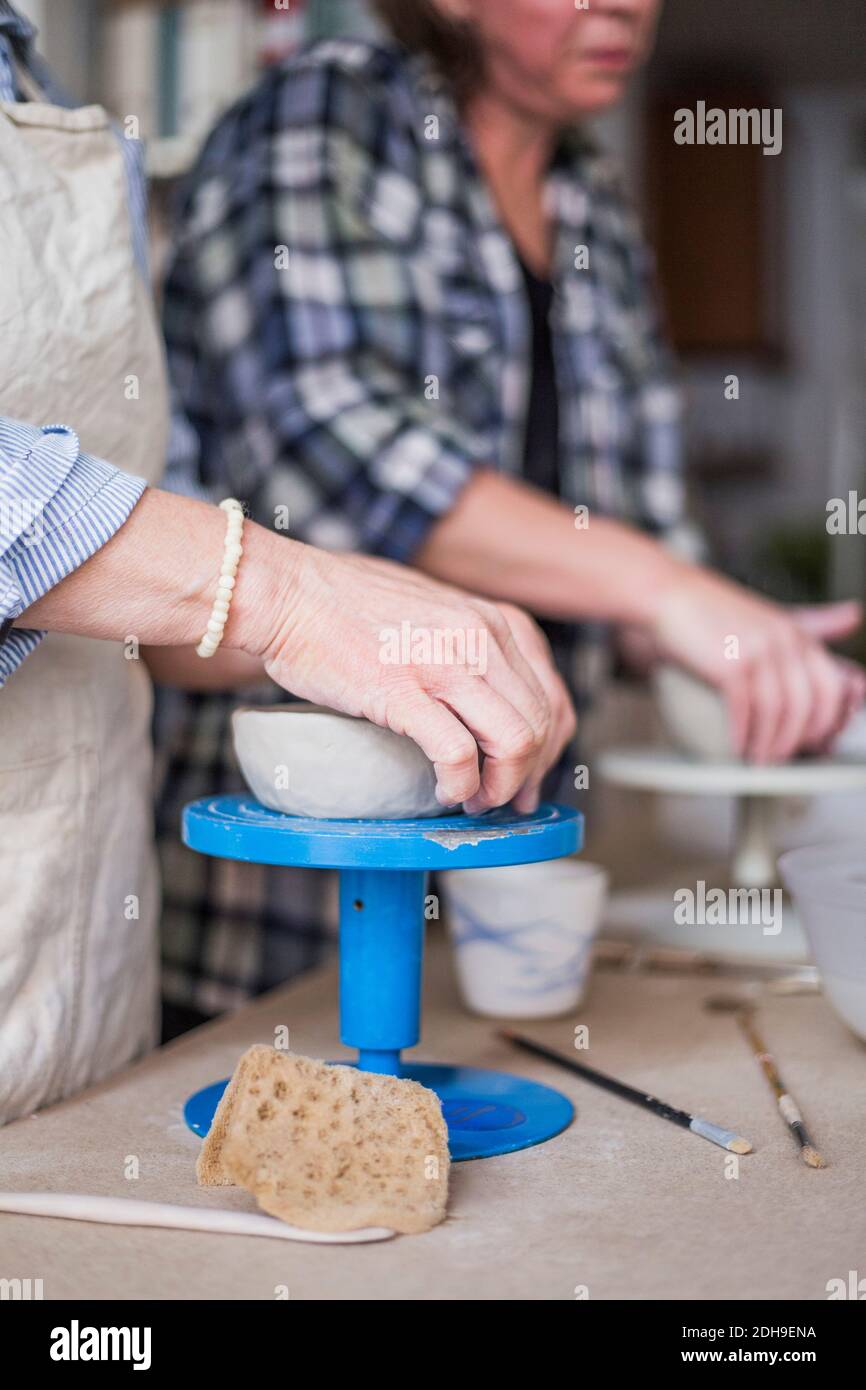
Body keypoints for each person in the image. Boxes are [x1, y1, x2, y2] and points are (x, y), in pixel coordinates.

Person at [156, 0, 865, 1020]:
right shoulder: (328, 114)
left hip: (518, 855)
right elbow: (336, 447)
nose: (623, 4)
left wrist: (730, 634)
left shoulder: (594, 202)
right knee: (298, 1115)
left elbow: (642, 519)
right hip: (285, 898)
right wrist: (668, 591)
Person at [0, 0, 572, 1125]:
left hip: (75, 1000)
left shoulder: (37, 80)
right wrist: (275, 592)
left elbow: (108, 607)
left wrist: (355, 632)